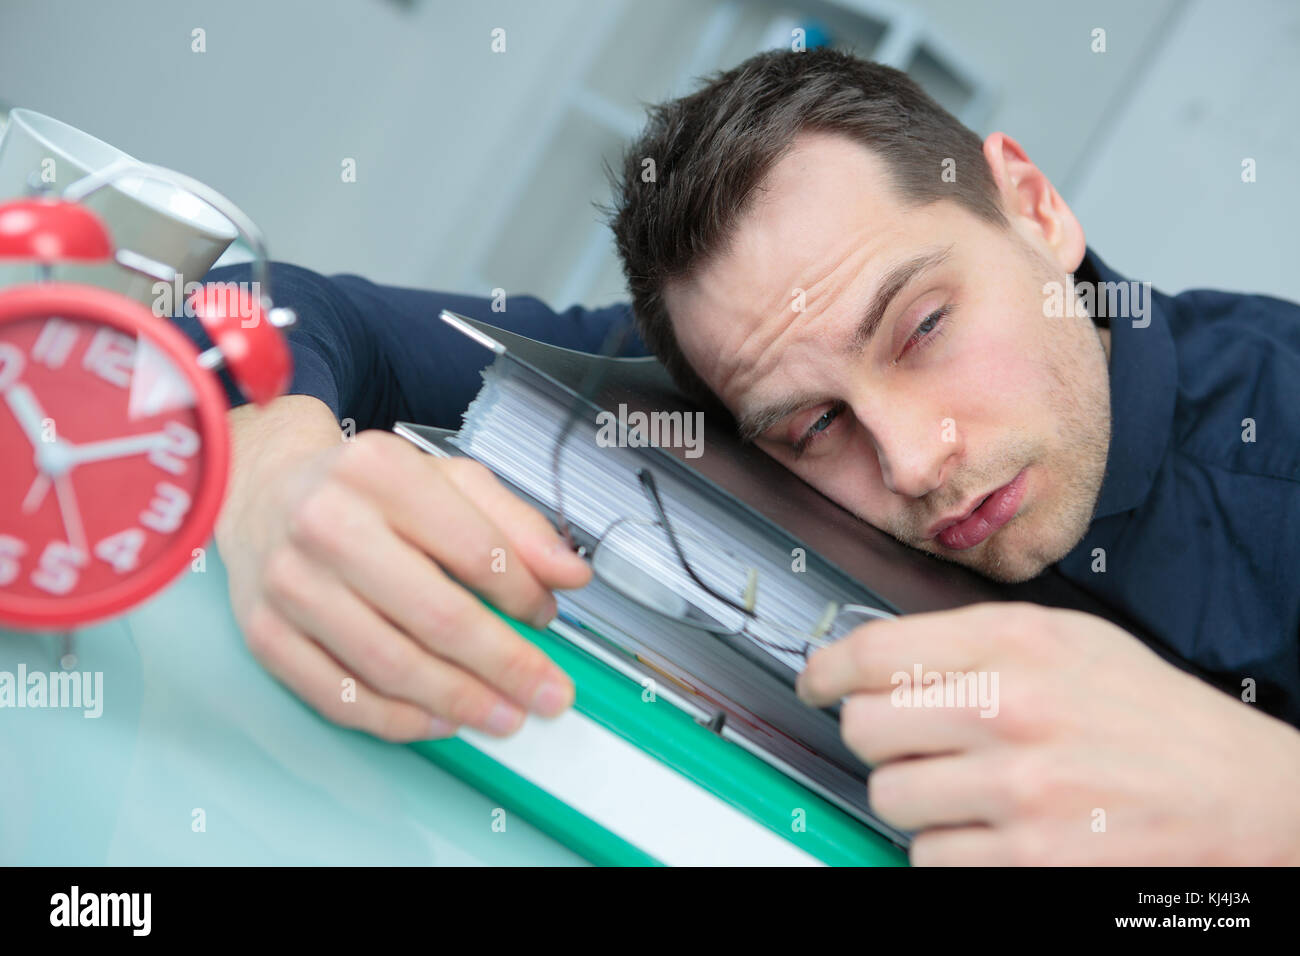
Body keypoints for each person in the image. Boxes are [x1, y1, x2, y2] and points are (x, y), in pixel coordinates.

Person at [176, 49, 1300, 864]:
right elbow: (244, 300)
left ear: (1034, 208)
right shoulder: (732, 386)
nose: (911, 461)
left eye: (920, 327)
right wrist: (271, 460)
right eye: (813, 426)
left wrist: (1269, 806)